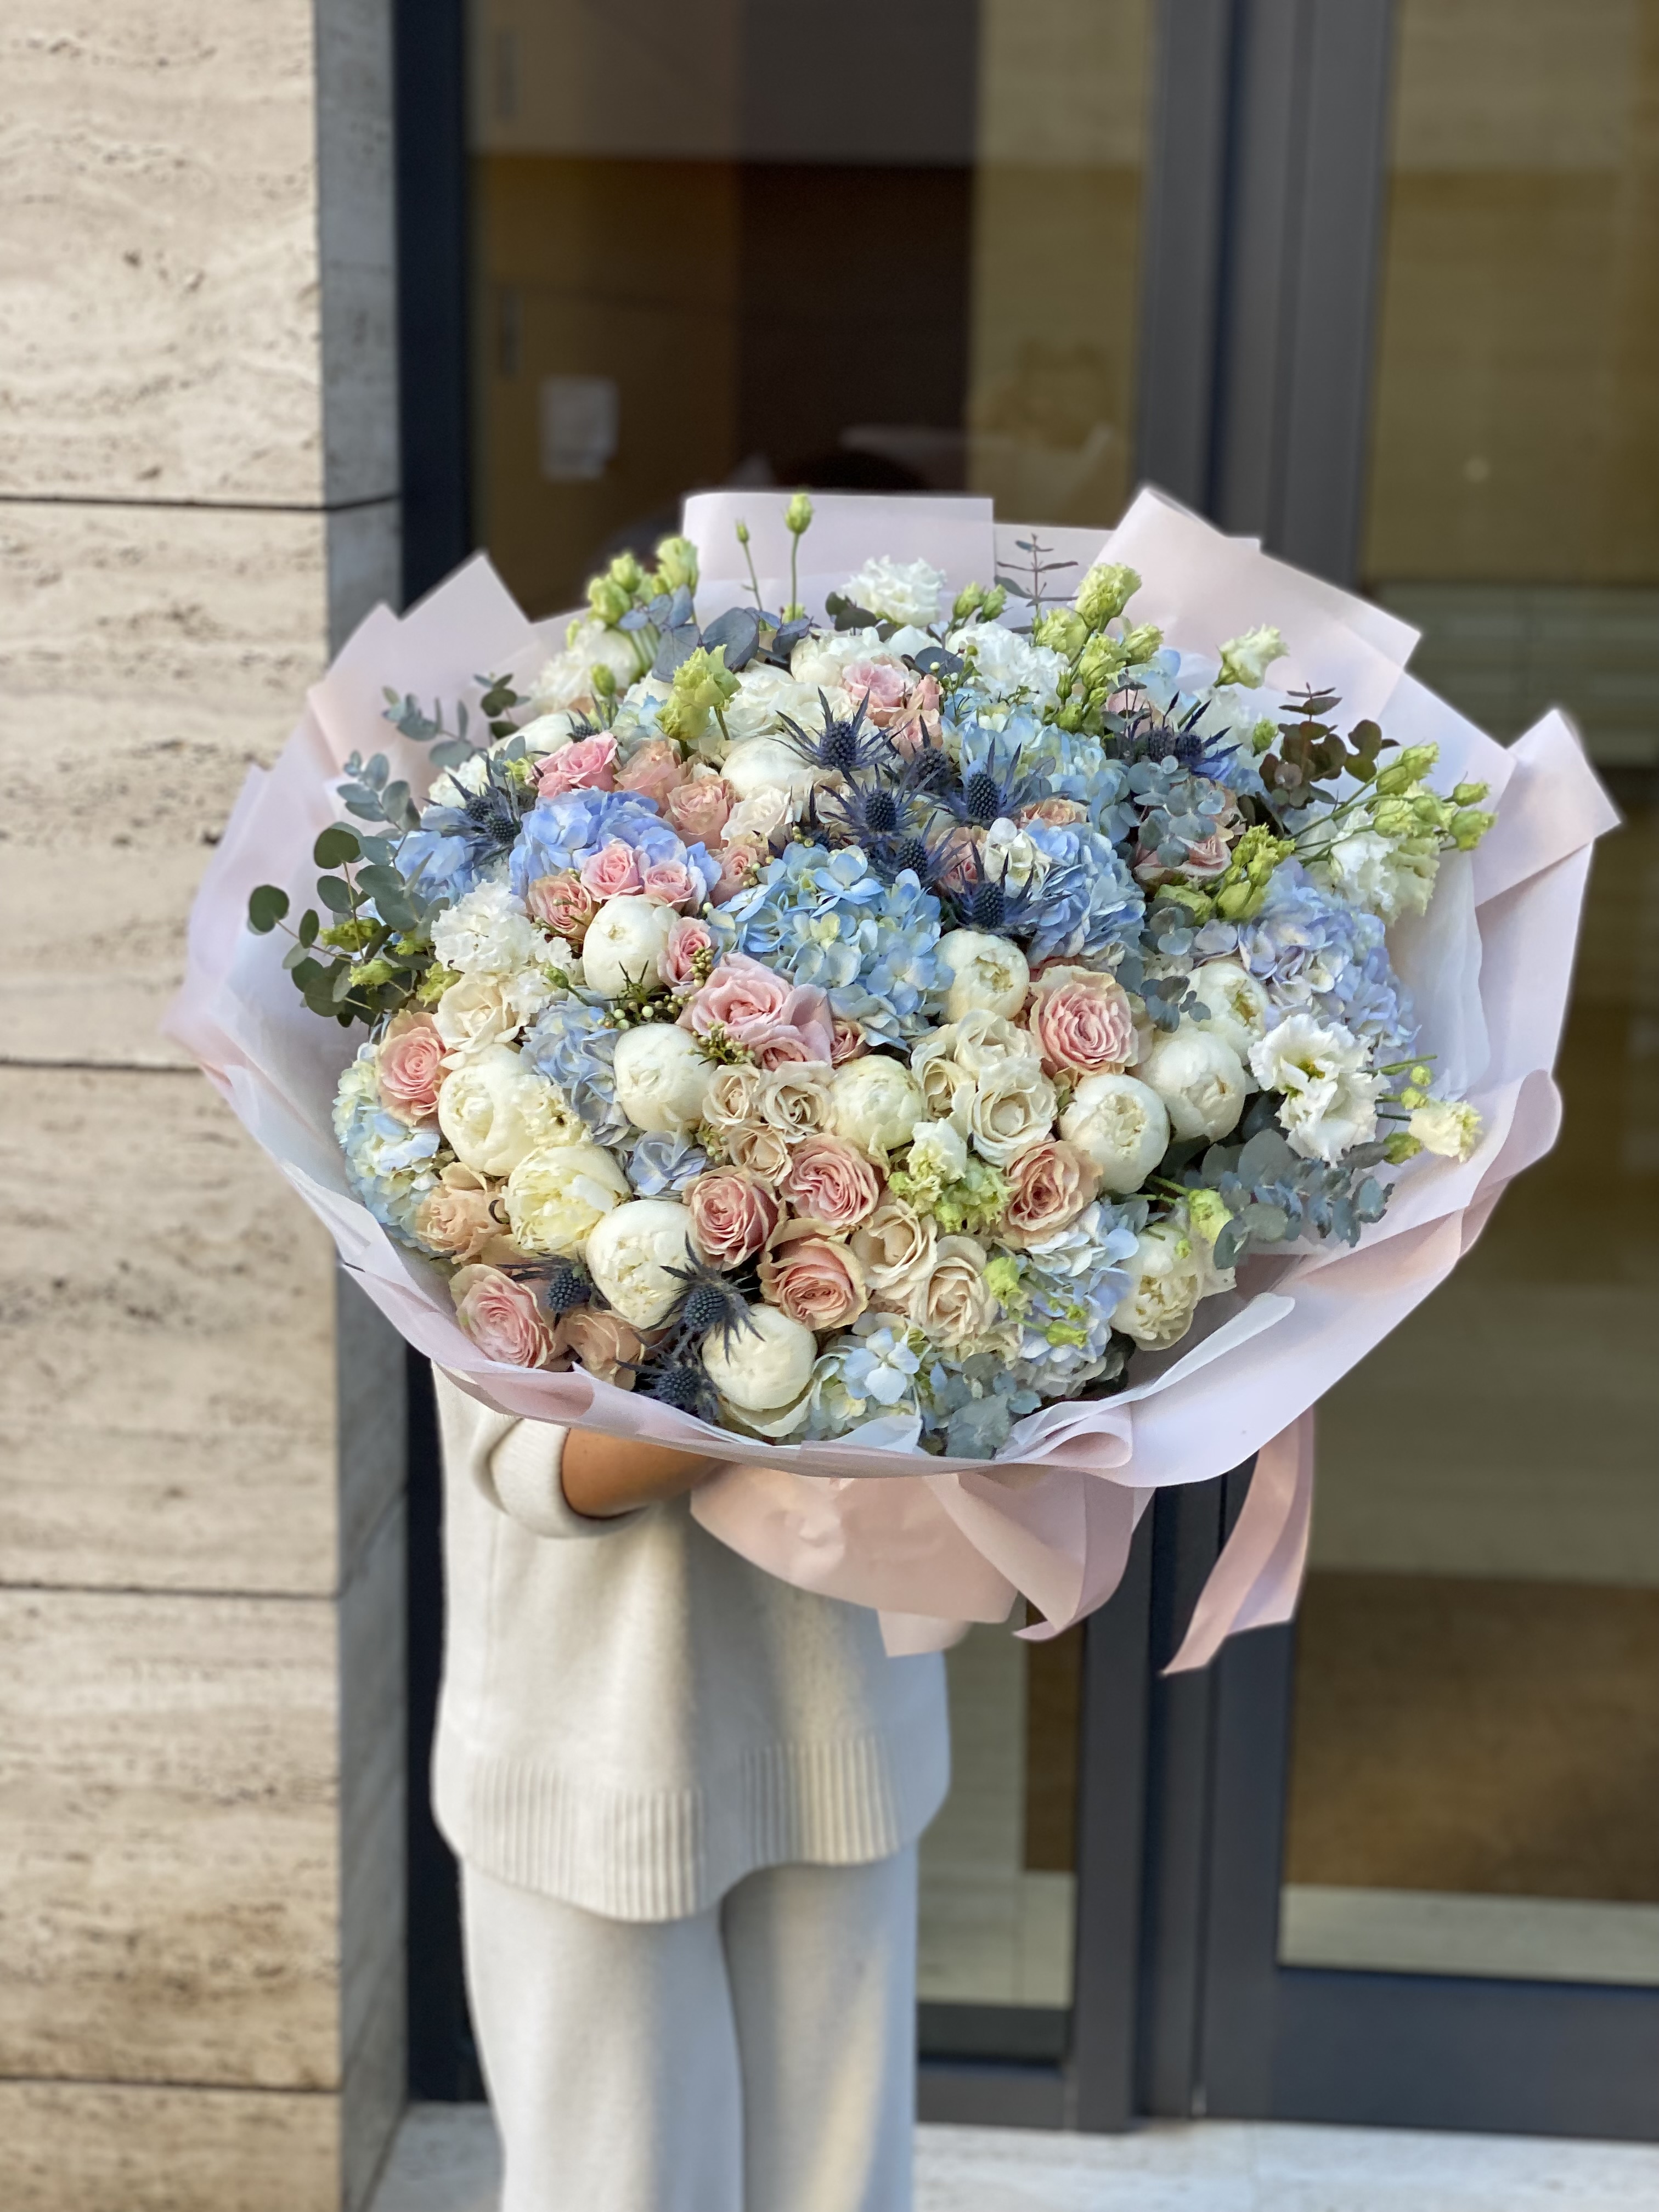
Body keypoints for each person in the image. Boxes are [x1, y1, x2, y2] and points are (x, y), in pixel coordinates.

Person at [430, 1368, 952, 2212]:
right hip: (600, 1732)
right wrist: (808, 1357)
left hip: (845, 1707)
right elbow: (546, 1468)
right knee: (617, 2187)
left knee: (841, 2188)